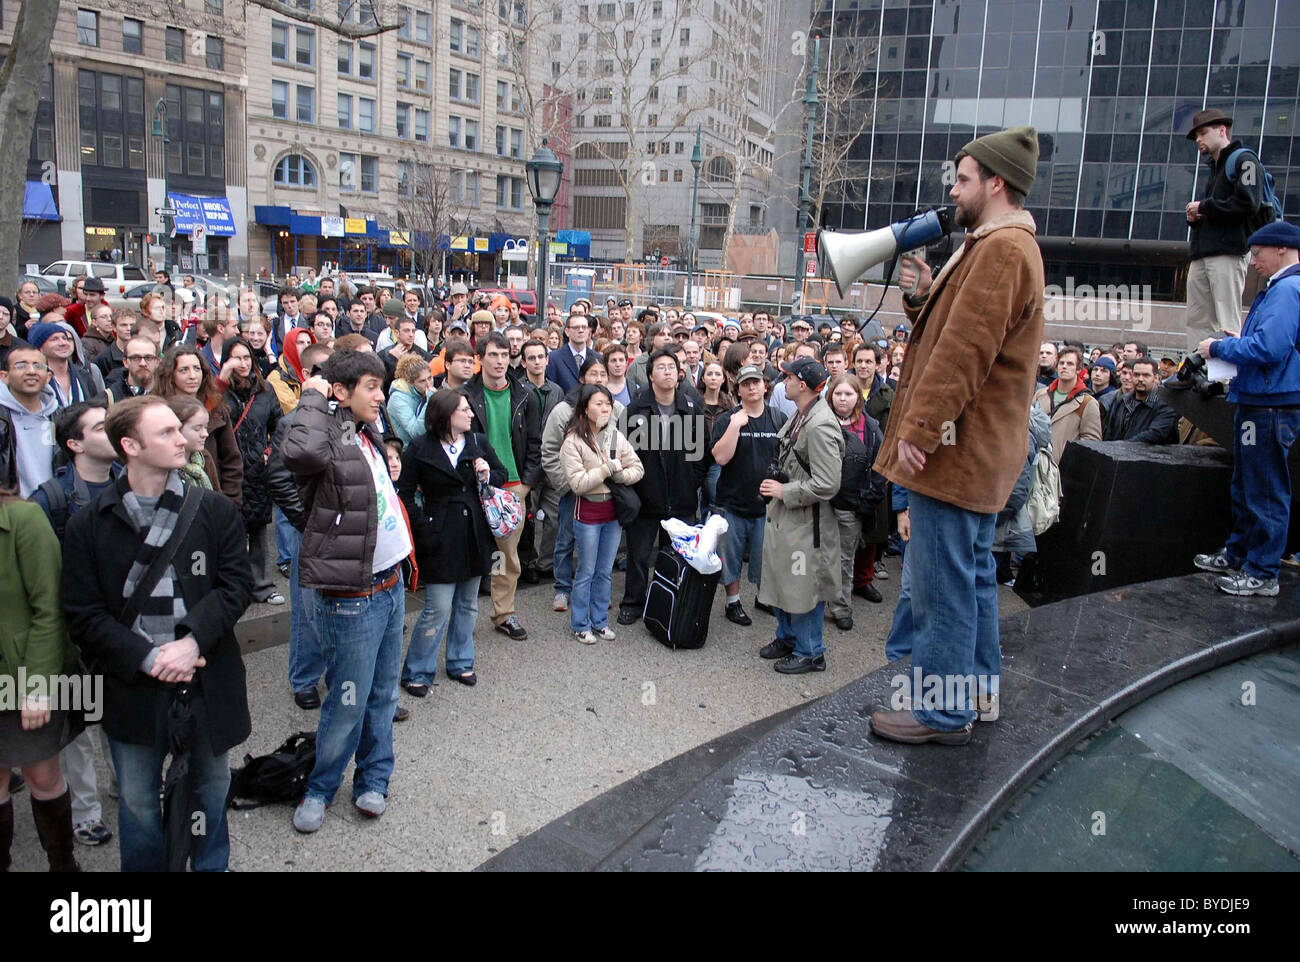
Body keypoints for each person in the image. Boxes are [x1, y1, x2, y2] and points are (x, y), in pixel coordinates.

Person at [871, 125, 1044, 745]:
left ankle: (942, 713)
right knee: (971, 574)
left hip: (956, 451)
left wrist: (920, 425)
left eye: (965, 177)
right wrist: (920, 298)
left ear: (996, 183)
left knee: (943, 582)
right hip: (975, 451)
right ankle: (978, 692)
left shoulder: (999, 250)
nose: (954, 187)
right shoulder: (1002, 244)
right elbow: (957, 334)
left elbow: (965, 351)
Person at [61, 395, 253, 871]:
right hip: (132, 686)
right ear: (129, 445)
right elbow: (83, 613)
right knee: (138, 800)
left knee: (211, 787)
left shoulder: (212, 510)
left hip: (205, 676)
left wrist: (191, 644)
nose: (182, 438)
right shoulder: (88, 523)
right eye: (166, 432)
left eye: (178, 428)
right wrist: (148, 659)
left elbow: (236, 585)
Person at [283, 351, 416, 833]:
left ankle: (373, 779)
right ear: (340, 392)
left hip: (390, 584)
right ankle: (320, 788)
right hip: (352, 595)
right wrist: (314, 398)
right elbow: (299, 455)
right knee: (348, 698)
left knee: (382, 693)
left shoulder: (361, 430)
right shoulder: (325, 431)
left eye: (382, 387)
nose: (381, 396)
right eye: (370, 387)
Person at [1192, 220, 1300, 596]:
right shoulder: (1281, 289)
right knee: (1247, 484)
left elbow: (1270, 349)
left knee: (1264, 489)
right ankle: (1240, 556)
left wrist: (1219, 349)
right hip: (1261, 403)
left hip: (1270, 405)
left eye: (1257, 253)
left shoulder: (1287, 290)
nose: (1252, 261)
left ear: (1281, 249)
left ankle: (1262, 571)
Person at [31, 401, 121, 849]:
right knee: (79, 728)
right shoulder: (50, 498)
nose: (115, 432)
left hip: (120, 625)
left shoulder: (130, 482)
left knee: (119, 716)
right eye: (102, 428)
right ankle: (85, 812)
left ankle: (126, 783)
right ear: (74, 443)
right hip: (74, 630)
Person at [398, 390, 505, 691]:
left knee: (468, 604)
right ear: (446, 415)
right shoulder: (419, 448)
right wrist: (422, 524)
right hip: (439, 534)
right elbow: (404, 493)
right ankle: (417, 671)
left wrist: (487, 474)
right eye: (464, 410)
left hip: (473, 532)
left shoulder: (477, 442)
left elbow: (502, 473)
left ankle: (461, 661)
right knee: (438, 607)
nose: (471, 414)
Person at [755, 357, 843, 672]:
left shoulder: (819, 424)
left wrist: (784, 492)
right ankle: (788, 637)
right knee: (784, 579)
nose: (783, 382)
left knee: (805, 586)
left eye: (788, 377)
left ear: (802, 384)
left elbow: (828, 483)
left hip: (808, 521)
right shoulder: (803, 415)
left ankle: (810, 651)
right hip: (791, 518)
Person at [461, 332, 541, 641]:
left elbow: (536, 445)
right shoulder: (465, 396)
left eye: (505, 355)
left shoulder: (525, 395)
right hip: (475, 487)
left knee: (507, 559)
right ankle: (461, 619)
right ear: (480, 359)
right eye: (493, 355)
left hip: (512, 489)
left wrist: (527, 484)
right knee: (470, 555)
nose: (499, 361)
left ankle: (503, 613)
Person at [618, 348, 706, 625]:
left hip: (681, 498)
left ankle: (672, 602)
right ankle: (633, 602)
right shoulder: (636, 409)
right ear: (650, 376)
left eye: (672, 367)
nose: (668, 371)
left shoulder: (691, 406)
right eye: (661, 367)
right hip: (646, 497)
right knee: (639, 555)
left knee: (676, 556)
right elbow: (624, 451)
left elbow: (701, 455)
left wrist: (691, 481)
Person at [561, 384, 645, 644]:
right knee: (585, 571)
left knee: (604, 571)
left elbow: (637, 468)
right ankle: (580, 624)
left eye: (608, 403)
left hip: (613, 512)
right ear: (585, 408)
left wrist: (619, 474)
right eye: (598, 403)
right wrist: (607, 469)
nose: (605, 408)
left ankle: (599, 621)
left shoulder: (615, 435)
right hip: (587, 512)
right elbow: (578, 484)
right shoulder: (573, 440)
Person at [712, 365, 787, 625]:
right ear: (739, 390)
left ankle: (763, 597)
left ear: (765, 387)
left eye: (756, 382)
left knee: (764, 556)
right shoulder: (727, 419)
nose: (752, 387)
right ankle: (732, 602)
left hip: (767, 505)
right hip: (733, 501)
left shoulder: (778, 418)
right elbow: (720, 457)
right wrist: (735, 426)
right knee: (730, 557)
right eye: (746, 384)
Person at [1185, 108, 1259, 352]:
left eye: (1203, 133)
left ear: (1222, 130)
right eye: (1196, 135)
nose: (1199, 139)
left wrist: (1204, 207)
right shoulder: (1216, 168)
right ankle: (1196, 375)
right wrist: (1197, 217)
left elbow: (1248, 203)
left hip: (1228, 252)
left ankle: (1226, 378)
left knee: (1227, 320)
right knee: (1197, 320)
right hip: (1204, 252)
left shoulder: (1244, 160)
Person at [221, 337, 285, 604]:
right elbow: (205, 414)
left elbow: (279, 424)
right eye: (237, 358)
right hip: (229, 470)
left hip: (257, 470)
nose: (243, 364)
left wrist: (271, 451)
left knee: (258, 530)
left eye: (247, 357)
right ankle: (233, 588)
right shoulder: (220, 392)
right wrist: (221, 380)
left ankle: (261, 584)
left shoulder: (265, 389)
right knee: (230, 532)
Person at [155, 345, 244, 505]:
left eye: (197, 369)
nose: (192, 376)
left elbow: (232, 460)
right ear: (171, 375)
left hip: (214, 497)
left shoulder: (216, 409)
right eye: (184, 370)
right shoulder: (159, 411)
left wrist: (230, 504)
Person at [0, 346, 59, 497]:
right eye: (21, 366)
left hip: (55, 508)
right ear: (4, 376)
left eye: (38, 366)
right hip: (10, 511)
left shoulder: (60, 417)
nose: (31, 371)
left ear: (48, 376)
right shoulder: (2, 419)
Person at [1033, 346, 1102, 463]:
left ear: (1078, 369)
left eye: (1070, 364)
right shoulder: (1040, 395)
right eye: (1061, 363)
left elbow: (1091, 442)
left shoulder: (1087, 403)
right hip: (1034, 462)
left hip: (1062, 469)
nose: (1064, 366)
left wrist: (1070, 460)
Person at [27, 321, 105, 408]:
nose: (63, 343)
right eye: (54, 339)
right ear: (40, 348)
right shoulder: (33, 379)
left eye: (65, 338)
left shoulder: (84, 375)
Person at [1103, 357, 1178, 444]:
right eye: (1136, 375)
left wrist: (1121, 446)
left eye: (1146, 375)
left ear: (1156, 377)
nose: (1140, 379)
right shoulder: (1122, 400)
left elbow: (1155, 435)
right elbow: (1109, 432)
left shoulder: (1166, 405)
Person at [547, 311, 601, 393]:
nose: (581, 330)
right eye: (576, 327)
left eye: (584, 327)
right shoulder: (553, 358)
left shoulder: (598, 358)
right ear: (567, 331)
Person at [388, 352, 433, 446]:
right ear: (410, 382)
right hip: (405, 450)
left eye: (430, 378)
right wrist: (430, 401)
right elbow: (415, 432)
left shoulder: (424, 392)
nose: (428, 384)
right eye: (422, 381)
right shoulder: (398, 399)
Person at [267, 327, 315, 414]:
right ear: (290, 346)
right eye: (300, 343)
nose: (306, 346)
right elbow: (291, 409)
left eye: (309, 343)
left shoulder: (316, 371)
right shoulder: (276, 378)